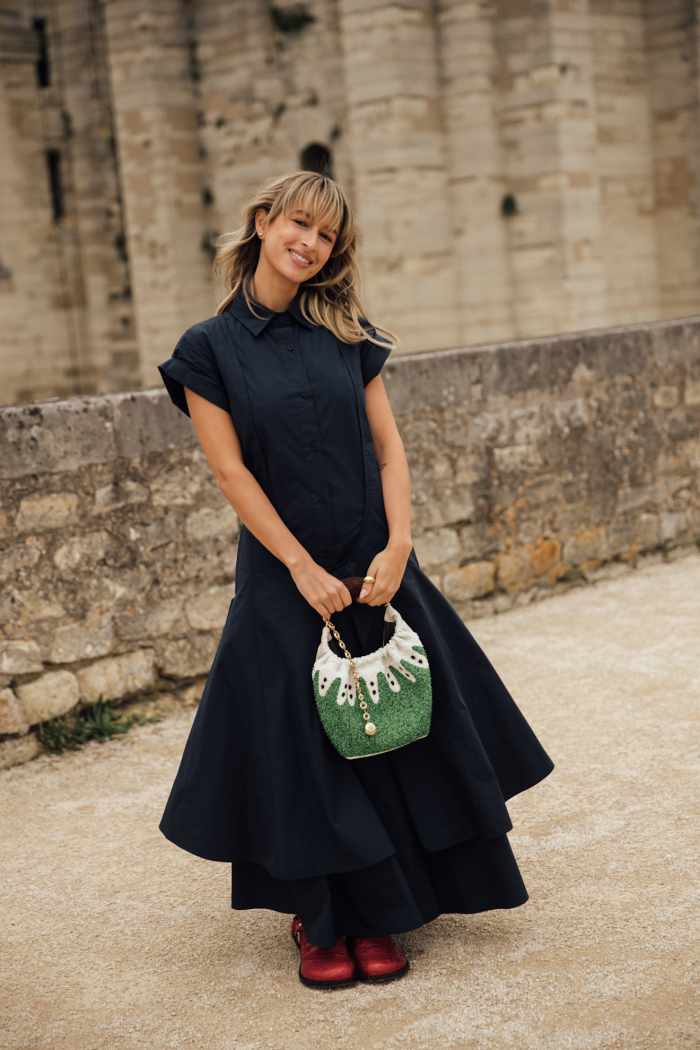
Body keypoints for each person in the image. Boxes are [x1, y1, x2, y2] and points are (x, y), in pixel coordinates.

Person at [156, 169, 555, 991]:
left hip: (373, 561)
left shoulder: (348, 332)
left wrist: (400, 544)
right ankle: (321, 919)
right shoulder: (207, 349)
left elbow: (389, 450)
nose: (308, 243)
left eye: (325, 234)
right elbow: (230, 473)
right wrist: (299, 567)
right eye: (298, 224)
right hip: (283, 573)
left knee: (393, 731)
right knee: (304, 749)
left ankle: (384, 910)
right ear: (263, 222)